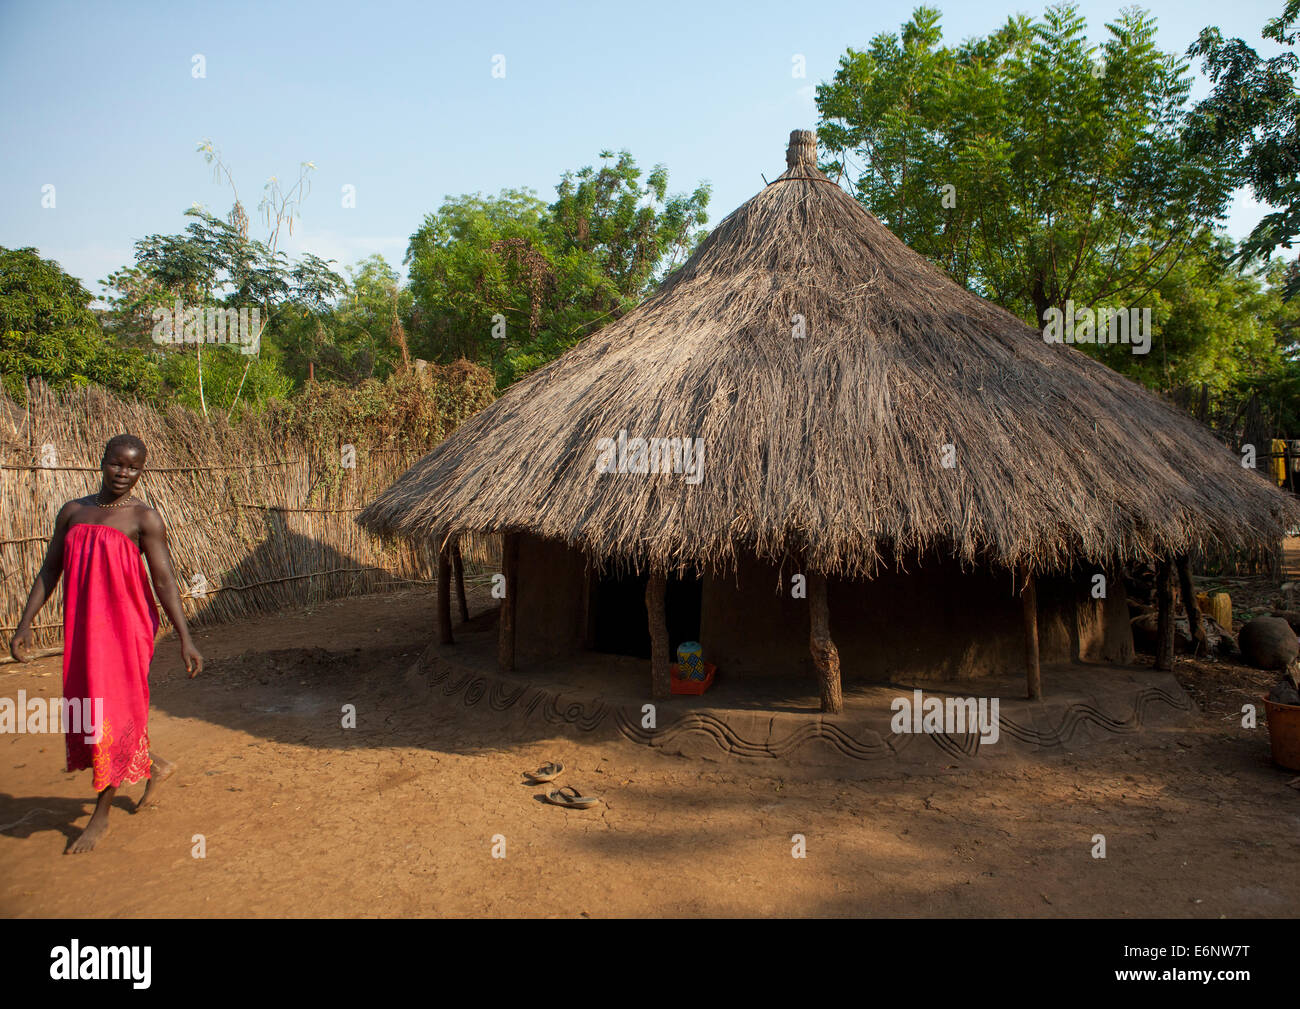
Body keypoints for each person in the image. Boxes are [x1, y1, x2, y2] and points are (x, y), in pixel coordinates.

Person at [9, 433, 203, 853]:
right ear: (103, 461)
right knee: (91, 712)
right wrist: (25, 623)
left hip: (126, 630)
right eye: (117, 463)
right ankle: (155, 766)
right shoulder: (74, 512)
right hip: (85, 630)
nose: (124, 473)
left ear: (142, 471)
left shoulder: (144, 519)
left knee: (112, 712)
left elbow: (165, 581)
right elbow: (50, 570)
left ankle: (100, 816)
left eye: (133, 467)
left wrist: (185, 639)